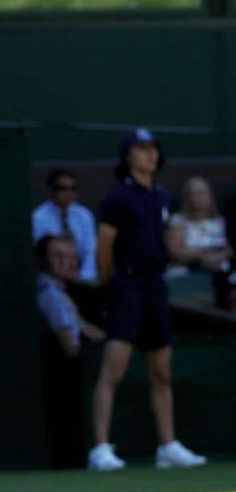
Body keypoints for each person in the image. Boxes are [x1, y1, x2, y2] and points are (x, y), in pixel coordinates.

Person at [88, 129, 207, 472]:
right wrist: (110, 284)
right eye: (141, 149)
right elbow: (104, 247)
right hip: (127, 287)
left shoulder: (163, 197)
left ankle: (167, 446)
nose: (150, 154)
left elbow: (169, 243)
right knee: (114, 370)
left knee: (161, 373)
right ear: (128, 156)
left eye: (153, 148)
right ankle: (100, 448)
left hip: (156, 287)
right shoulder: (117, 199)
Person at [35, 234, 104, 469]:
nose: (68, 263)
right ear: (44, 260)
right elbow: (69, 345)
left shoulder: (62, 292)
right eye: (58, 256)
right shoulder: (49, 292)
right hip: (60, 382)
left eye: (73, 257)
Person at [167, 176, 236, 310]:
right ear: (188, 197)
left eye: (204, 192)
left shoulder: (220, 221)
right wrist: (203, 257)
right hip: (188, 272)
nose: (200, 197)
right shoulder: (179, 221)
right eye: (196, 193)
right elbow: (175, 251)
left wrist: (216, 257)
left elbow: (230, 249)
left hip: (219, 272)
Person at [32, 168, 98, 282]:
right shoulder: (39, 217)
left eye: (73, 189)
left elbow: (90, 251)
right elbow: (40, 255)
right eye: (63, 189)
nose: (69, 193)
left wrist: (85, 278)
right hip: (50, 279)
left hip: (81, 277)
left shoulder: (84, 215)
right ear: (52, 190)